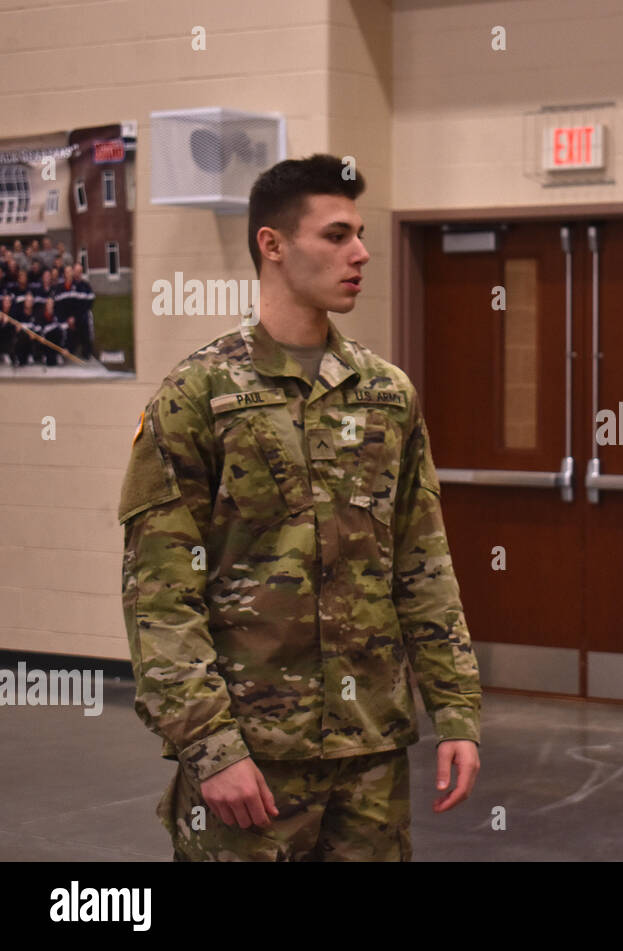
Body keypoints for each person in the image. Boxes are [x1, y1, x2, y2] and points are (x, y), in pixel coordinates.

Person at [118, 153, 482, 862]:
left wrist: (458, 710)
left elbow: (423, 564)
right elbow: (160, 597)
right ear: (273, 245)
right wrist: (210, 745)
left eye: (361, 234)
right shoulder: (199, 395)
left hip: (370, 753)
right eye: (337, 235)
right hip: (253, 756)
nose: (361, 254)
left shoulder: (387, 395)